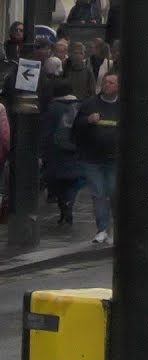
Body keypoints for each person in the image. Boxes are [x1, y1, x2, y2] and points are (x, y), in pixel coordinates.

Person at [73, 71, 119, 244]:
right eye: (105, 82)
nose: (107, 85)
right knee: (99, 193)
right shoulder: (90, 104)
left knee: (114, 192)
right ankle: (102, 229)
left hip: (114, 158)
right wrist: (87, 121)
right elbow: (76, 127)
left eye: (112, 83)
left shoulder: (123, 105)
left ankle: (115, 225)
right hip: (91, 158)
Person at [40, 78, 82, 225]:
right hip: (76, 151)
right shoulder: (80, 106)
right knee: (73, 182)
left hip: (55, 153)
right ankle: (69, 205)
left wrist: (42, 152)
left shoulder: (52, 108)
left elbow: (46, 133)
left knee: (57, 183)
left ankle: (63, 206)